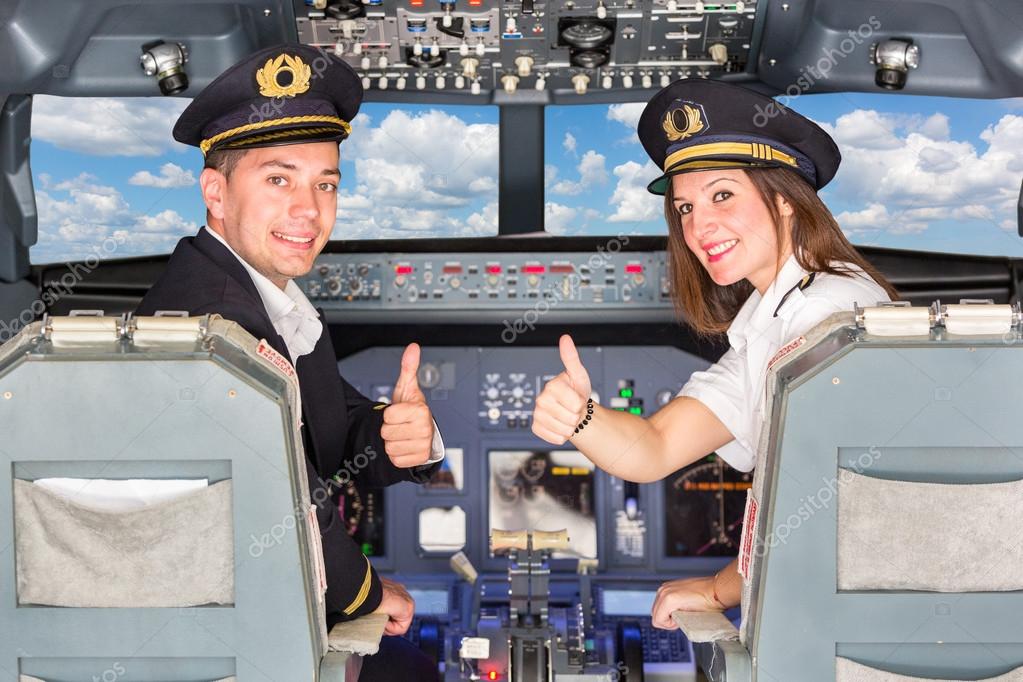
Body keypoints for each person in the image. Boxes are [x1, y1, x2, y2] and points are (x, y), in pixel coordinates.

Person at [529, 79, 898, 626]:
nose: (699, 227)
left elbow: (827, 512)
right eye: (683, 207)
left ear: (784, 199)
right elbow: (653, 447)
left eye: (722, 195)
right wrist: (579, 417)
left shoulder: (829, 315)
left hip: (857, 613)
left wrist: (720, 588)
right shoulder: (775, 318)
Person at [136, 44, 441, 680]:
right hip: (223, 619)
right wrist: (368, 592)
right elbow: (283, 502)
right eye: (279, 178)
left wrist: (400, 437)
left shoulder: (251, 292)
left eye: (324, 183)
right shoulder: (215, 325)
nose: (309, 209)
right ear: (215, 191)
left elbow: (328, 423)